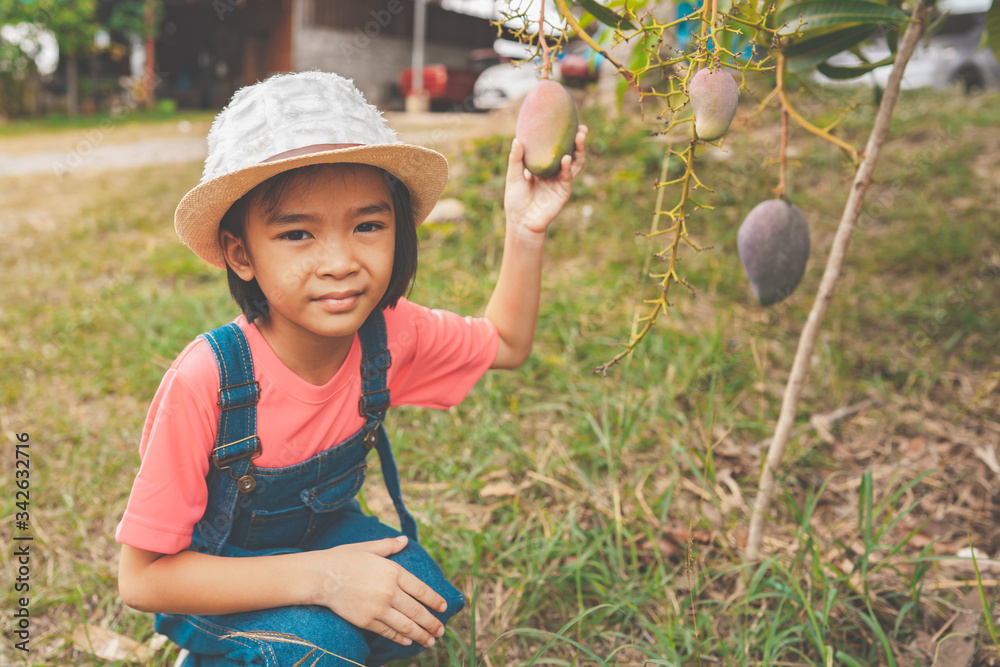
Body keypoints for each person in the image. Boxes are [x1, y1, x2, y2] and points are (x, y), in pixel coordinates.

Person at [115, 70, 586, 666]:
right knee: (324, 648)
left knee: (423, 601)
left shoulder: (392, 333)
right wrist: (325, 580)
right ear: (240, 253)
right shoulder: (207, 379)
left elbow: (508, 345)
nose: (340, 262)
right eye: (296, 233)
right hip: (215, 580)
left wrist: (525, 227)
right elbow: (142, 580)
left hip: (316, 539)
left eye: (368, 225)